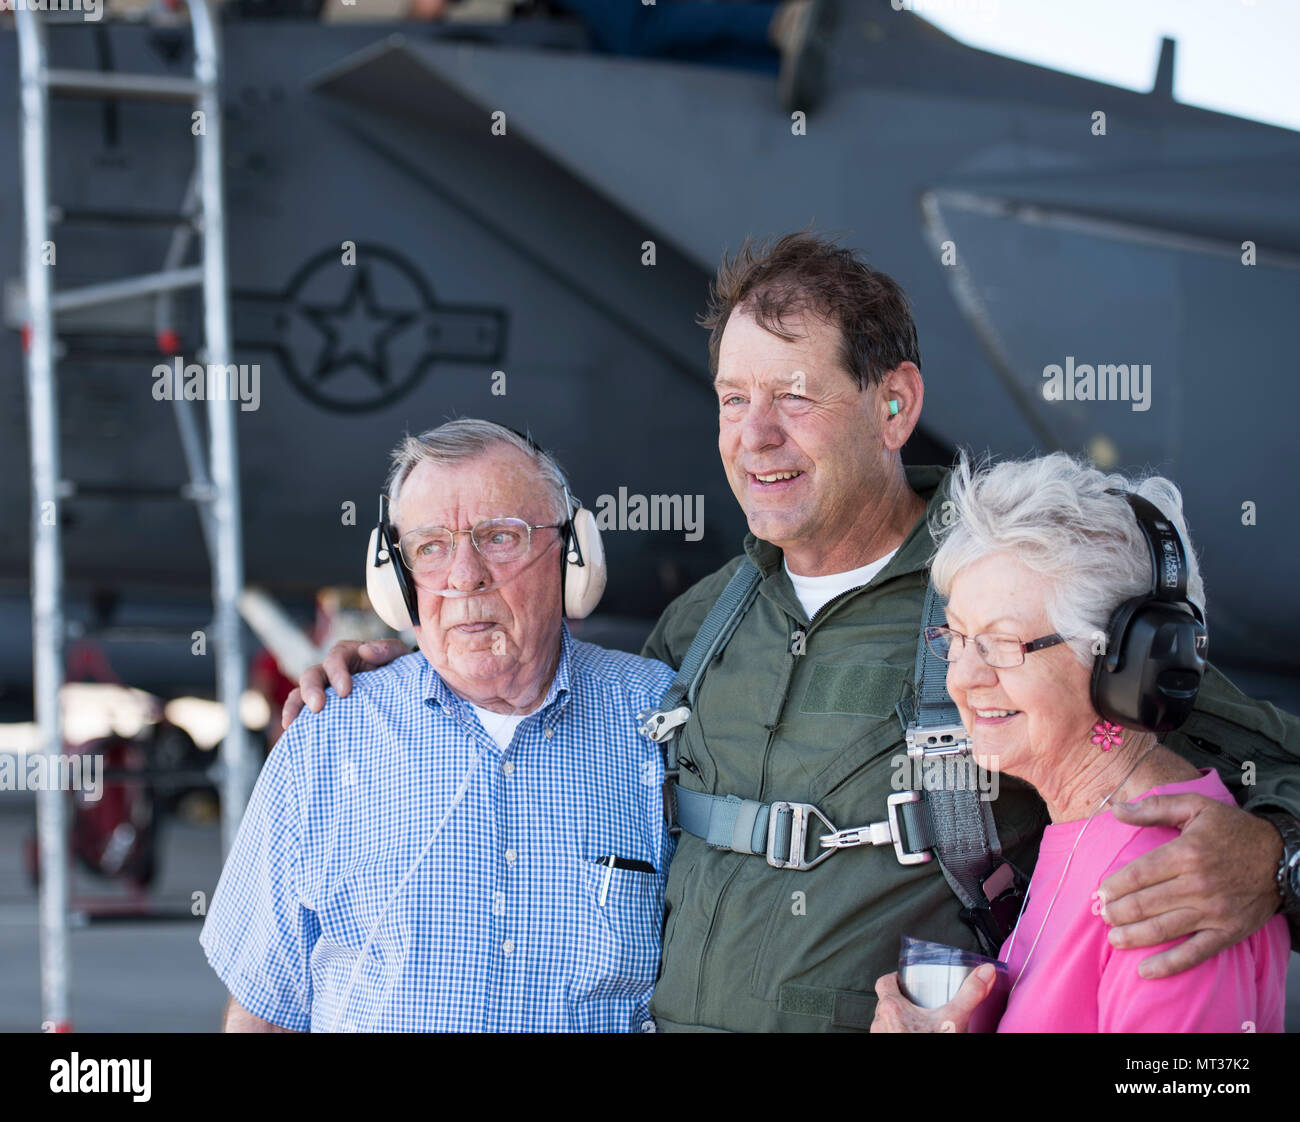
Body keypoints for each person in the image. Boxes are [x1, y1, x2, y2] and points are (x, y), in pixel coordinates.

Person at [286, 233, 1300, 1033]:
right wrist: (406, 669)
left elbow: (1179, 737)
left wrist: (1274, 865)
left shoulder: (1010, 603)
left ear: (893, 403)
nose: (754, 435)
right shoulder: (702, 624)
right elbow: (545, 729)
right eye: (734, 400)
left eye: (793, 397)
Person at [200, 420, 674, 1031]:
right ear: (394, 582)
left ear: (573, 556)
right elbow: (264, 1014)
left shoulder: (662, 723)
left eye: (500, 537)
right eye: (430, 548)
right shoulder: (327, 740)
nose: (463, 576)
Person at [869, 453, 1289, 1032]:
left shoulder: (1172, 881)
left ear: (1126, 665)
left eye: (1003, 644)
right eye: (957, 637)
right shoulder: (1080, 830)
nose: (962, 679)